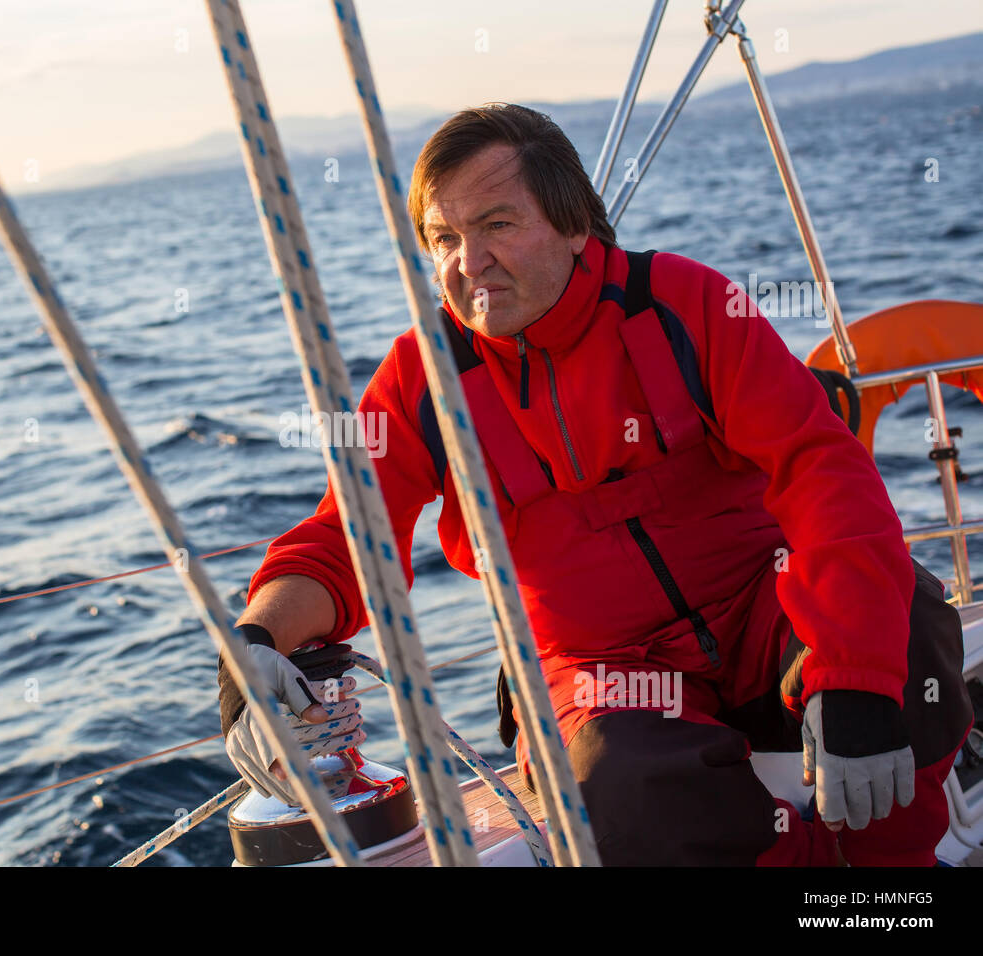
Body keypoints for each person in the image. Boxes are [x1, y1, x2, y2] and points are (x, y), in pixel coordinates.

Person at [218, 103, 973, 866]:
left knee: (906, 629)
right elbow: (346, 537)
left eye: (498, 226)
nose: (467, 262)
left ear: (576, 224)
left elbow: (823, 474)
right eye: (444, 238)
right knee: (626, 785)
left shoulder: (687, 305)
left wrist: (853, 672)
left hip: (761, 614)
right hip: (602, 670)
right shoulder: (421, 380)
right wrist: (256, 641)